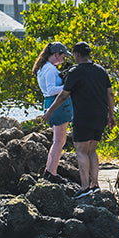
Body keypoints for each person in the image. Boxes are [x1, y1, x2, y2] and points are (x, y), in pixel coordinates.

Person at [39, 42, 115, 198]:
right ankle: (95, 185)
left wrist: (49, 111)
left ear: (77, 55)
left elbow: (64, 95)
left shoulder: (75, 71)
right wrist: (111, 115)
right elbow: (110, 94)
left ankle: (85, 187)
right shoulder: (101, 70)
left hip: (83, 116)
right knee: (92, 150)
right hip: (100, 114)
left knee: (81, 151)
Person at [32, 42, 72, 183]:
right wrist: (67, 85)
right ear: (56, 54)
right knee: (59, 141)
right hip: (56, 105)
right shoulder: (49, 69)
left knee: (58, 140)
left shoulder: (43, 68)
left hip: (50, 104)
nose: (63, 59)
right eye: (62, 56)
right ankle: (51, 172)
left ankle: (49, 170)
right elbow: (50, 90)